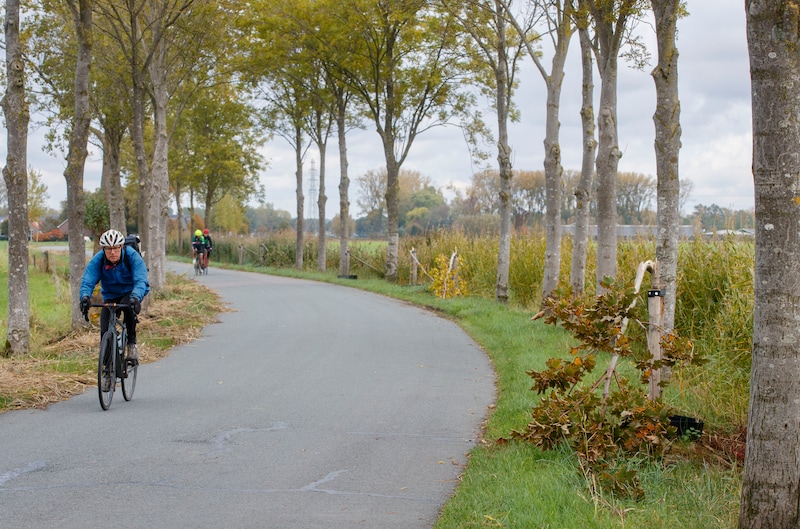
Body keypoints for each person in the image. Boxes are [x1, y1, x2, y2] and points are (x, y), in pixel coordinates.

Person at [79, 229, 150, 372]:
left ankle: (131, 344)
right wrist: (85, 297)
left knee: (129, 309)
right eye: (108, 249)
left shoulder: (132, 256)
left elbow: (141, 279)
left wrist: (136, 297)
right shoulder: (98, 260)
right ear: (103, 249)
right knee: (105, 330)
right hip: (110, 294)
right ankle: (107, 369)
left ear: (121, 247)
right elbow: (88, 280)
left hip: (130, 291)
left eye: (116, 248)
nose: (112, 252)